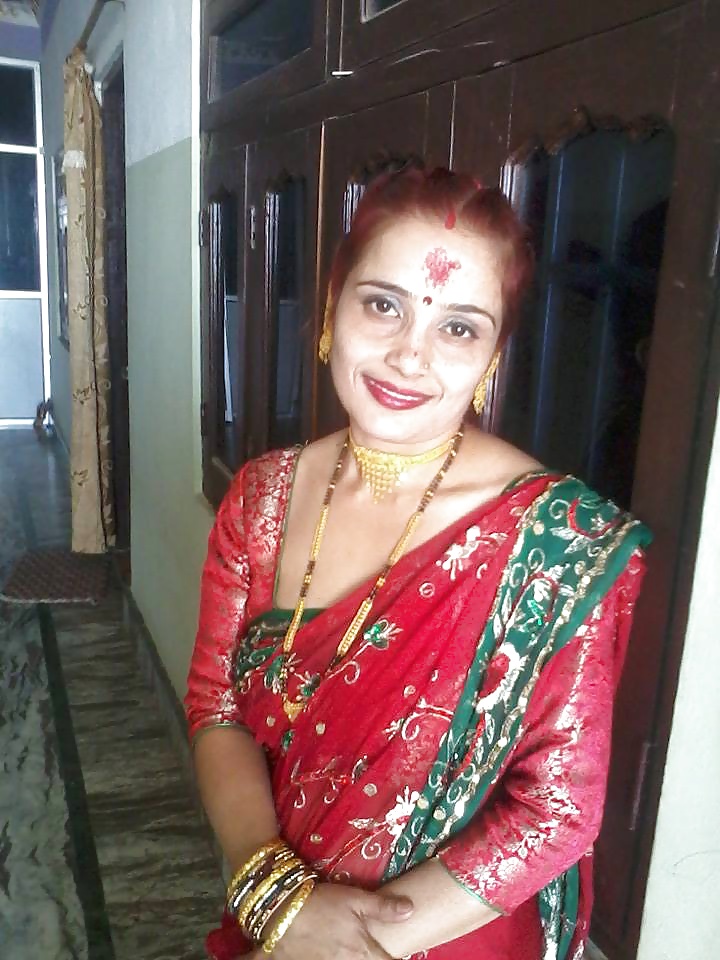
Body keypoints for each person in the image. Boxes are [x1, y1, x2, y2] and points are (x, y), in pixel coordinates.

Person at [185, 166, 650, 960]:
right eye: (383, 305)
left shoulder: (560, 541)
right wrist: (279, 902)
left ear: (493, 354)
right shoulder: (261, 498)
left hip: (448, 935)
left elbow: (557, 809)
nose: (409, 355)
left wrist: (349, 945)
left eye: (458, 328)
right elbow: (216, 706)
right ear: (332, 304)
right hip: (275, 913)